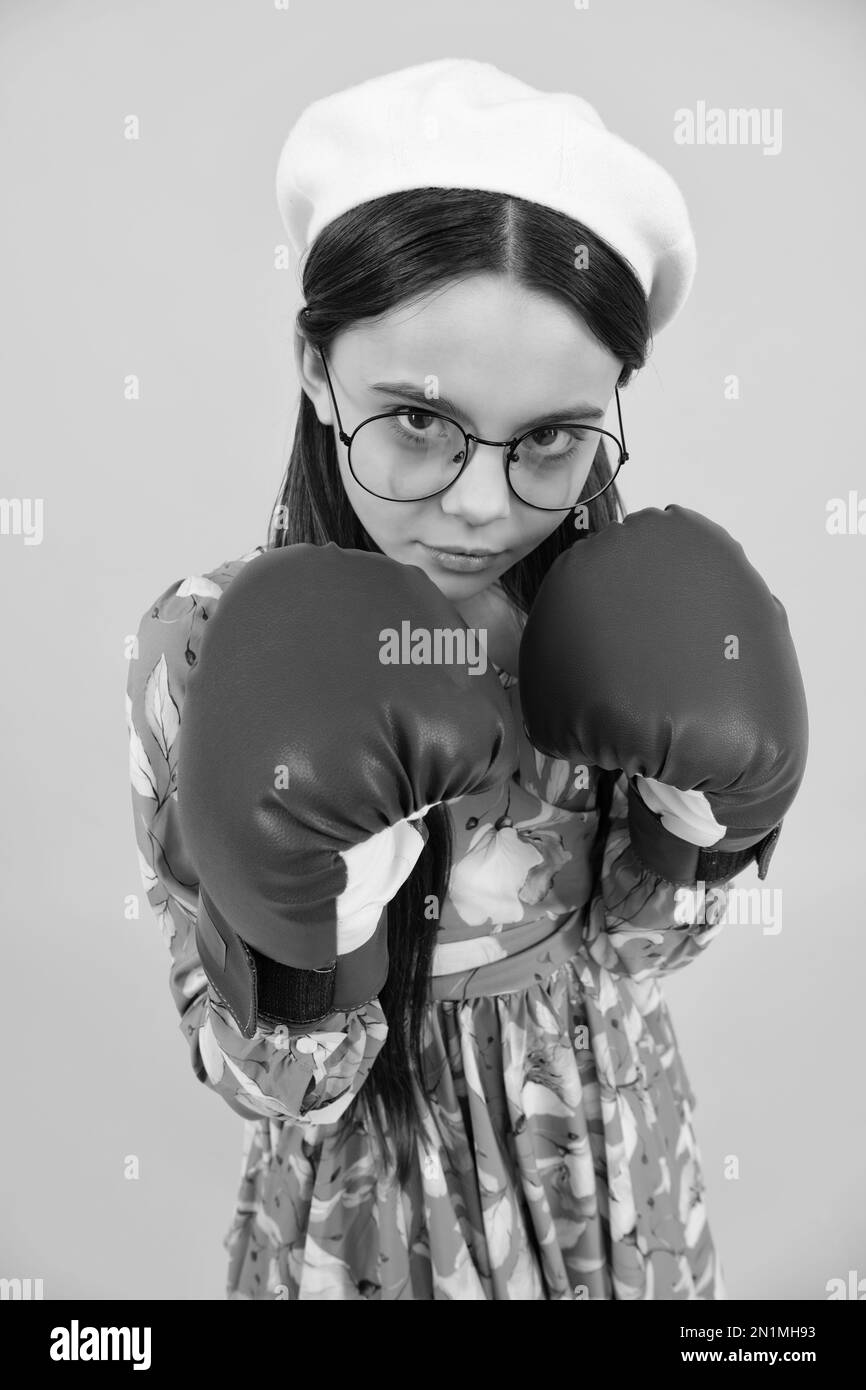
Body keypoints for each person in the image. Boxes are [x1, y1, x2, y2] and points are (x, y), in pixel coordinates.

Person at [124, 58, 808, 1300]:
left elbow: (634, 955)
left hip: (602, 1152)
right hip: (378, 1199)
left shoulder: (602, 609)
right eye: (418, 422)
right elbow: (262, 1080)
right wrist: (309, 938)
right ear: (314, 365)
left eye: (550, 438)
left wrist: (702, 833)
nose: (484, 504)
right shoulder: (204, 646)